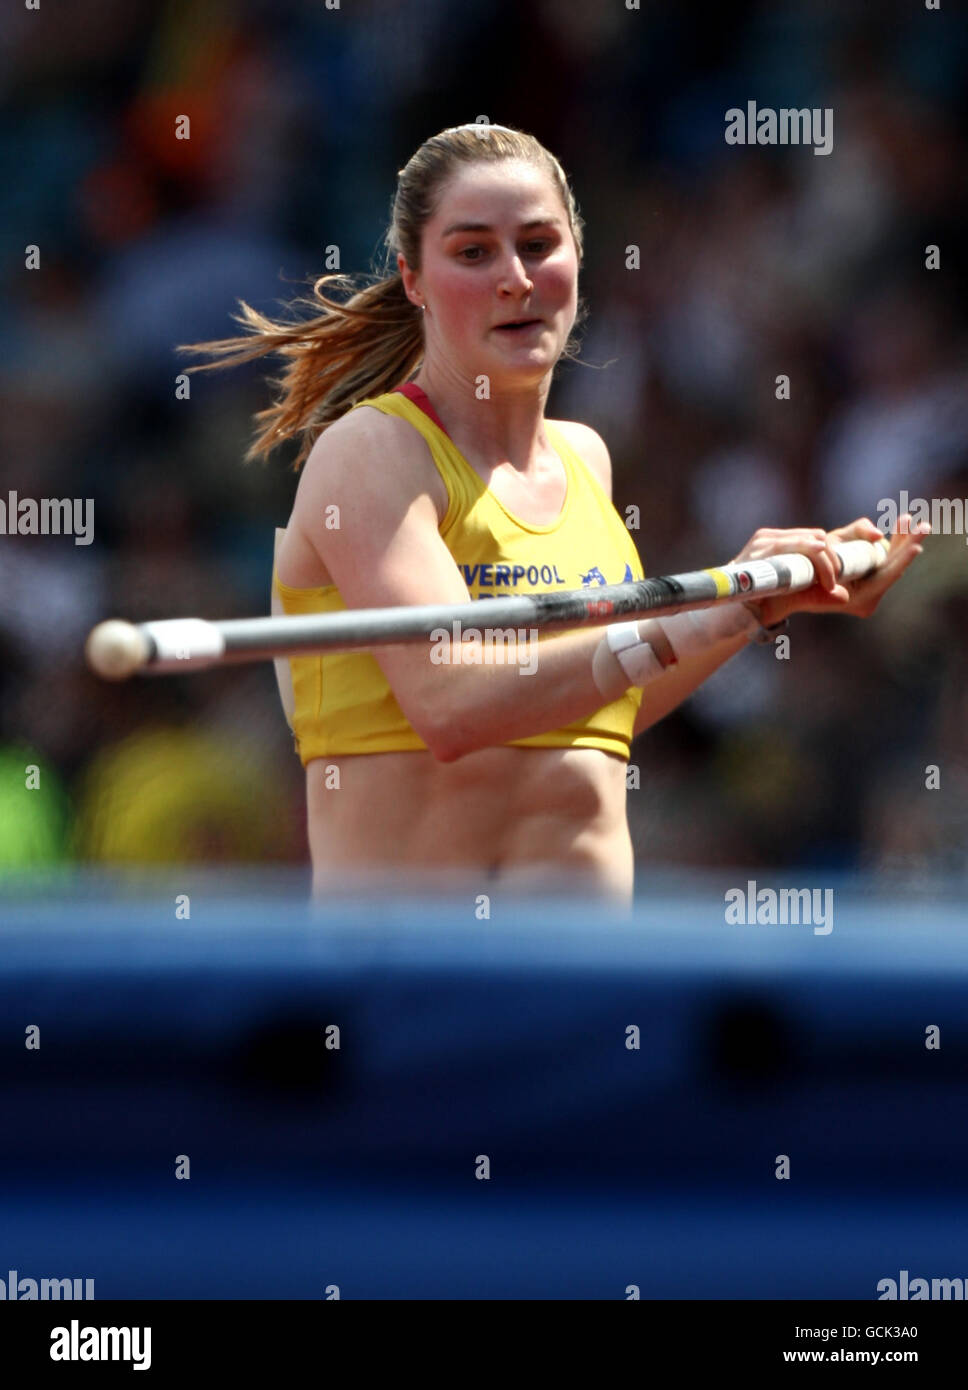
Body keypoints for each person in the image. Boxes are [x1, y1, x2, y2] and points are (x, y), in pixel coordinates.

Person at [178, 123, 928, 904]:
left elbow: (600, 704)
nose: (516, 278)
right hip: (422, 984)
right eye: (473, 253)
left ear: (577, 258)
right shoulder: (372, 453)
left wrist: (750, 610)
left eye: (539, 245)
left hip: (592, 982)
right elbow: (453, 706)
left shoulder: (585, 460)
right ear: (414, 279)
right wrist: (707, 613)